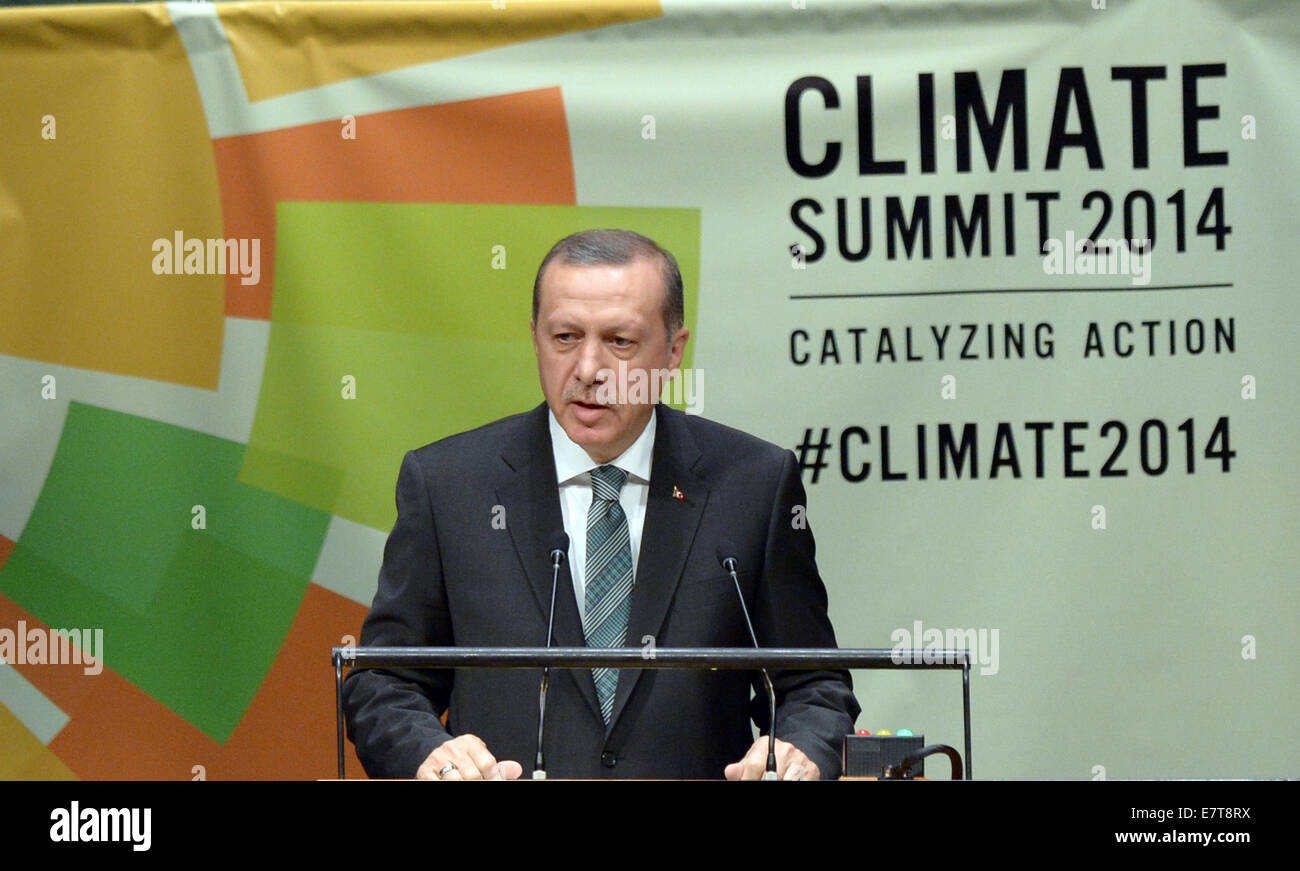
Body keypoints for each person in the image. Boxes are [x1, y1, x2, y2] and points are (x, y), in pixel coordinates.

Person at [342, 229, 859, 780]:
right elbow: (384, 683)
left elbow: (812, 686)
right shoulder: (448, 486)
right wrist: (428, 754)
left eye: (619, 341)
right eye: (564, 337)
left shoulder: (752, 484)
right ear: (535, 338)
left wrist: (798, 753)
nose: (587, 369)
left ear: (673, 351)